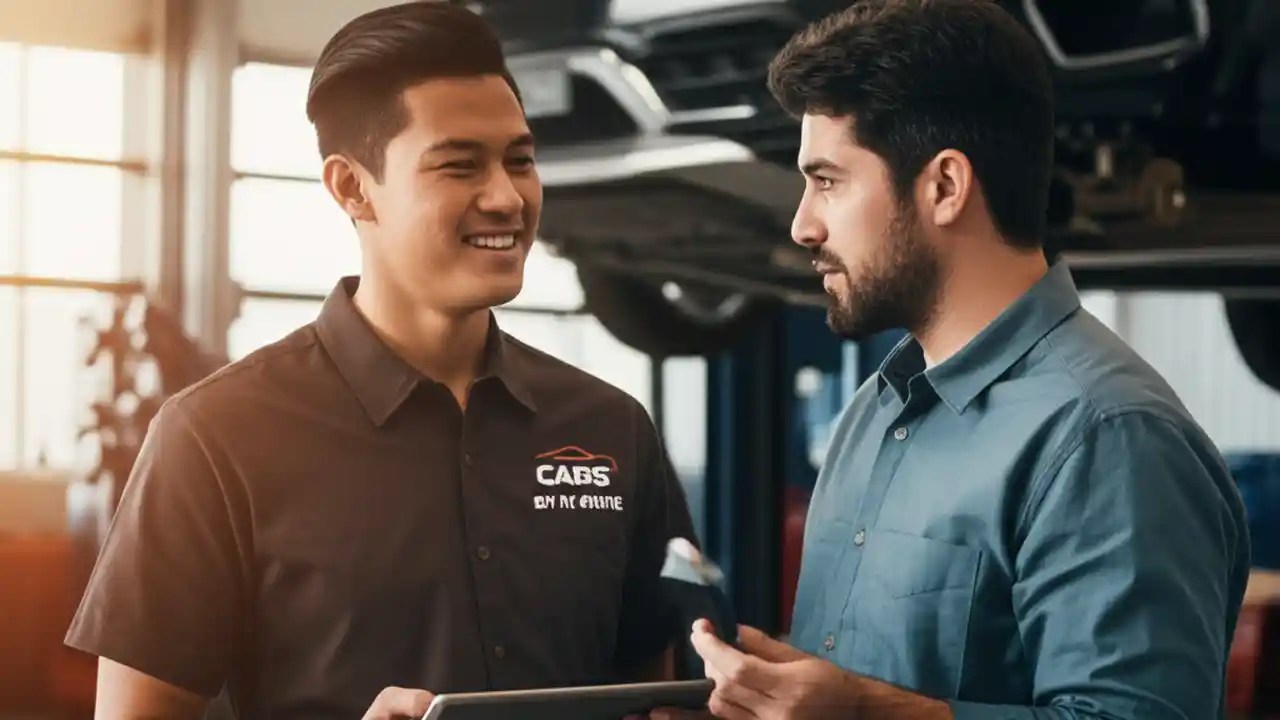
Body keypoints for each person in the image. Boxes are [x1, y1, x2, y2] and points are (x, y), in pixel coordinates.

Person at [65, 3, 695, 719]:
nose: (506, 197)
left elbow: (657, 690)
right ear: (351, 187)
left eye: (520, 160)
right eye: (459, 166)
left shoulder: (611, 429)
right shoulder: (214, 439)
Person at [655, 1, 1251, 718]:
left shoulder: (1107, 437)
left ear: (944, 187)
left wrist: (866, 713)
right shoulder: (874, 413)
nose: (802, 224)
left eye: (829, 181)